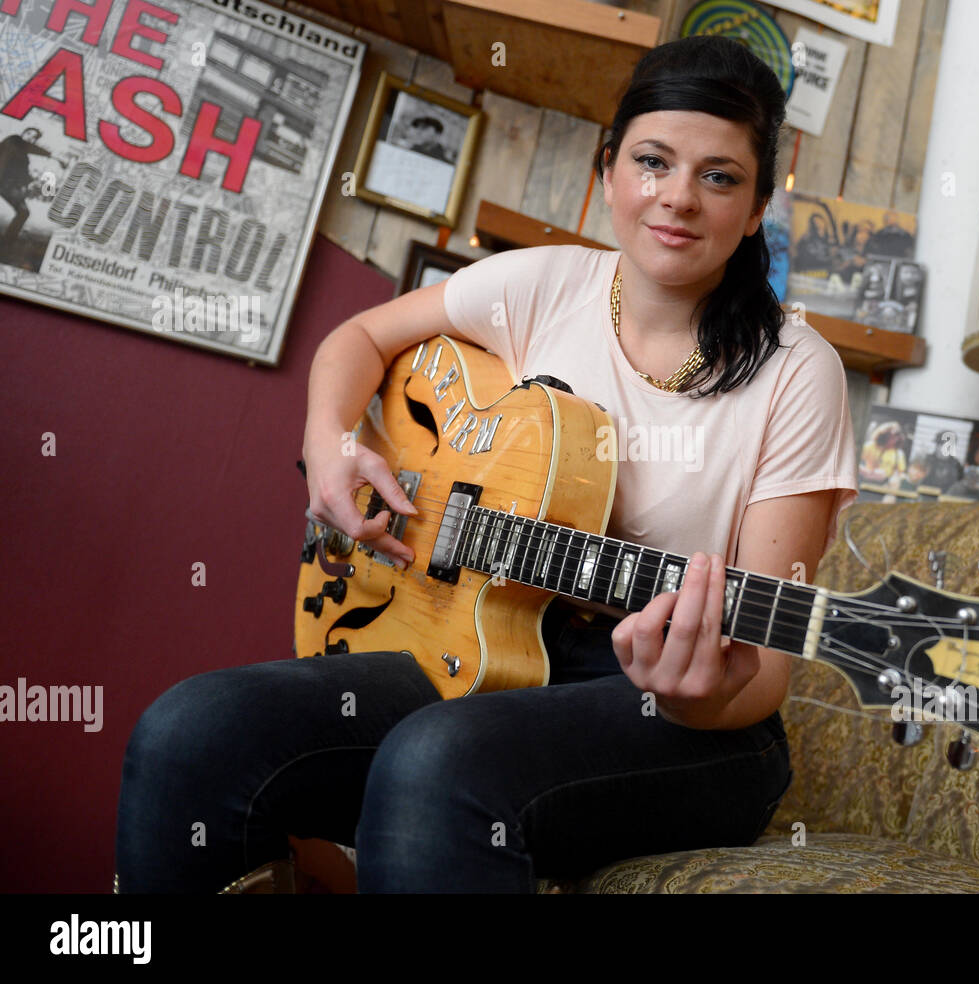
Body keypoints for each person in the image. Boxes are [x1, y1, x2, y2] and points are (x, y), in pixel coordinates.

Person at [115, 35, 857, 893]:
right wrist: (332, 443)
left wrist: (691, 690)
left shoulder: (799, 372)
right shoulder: (543, 284)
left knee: (438, 763)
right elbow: (359, 338)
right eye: (653, 161)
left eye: (720, 176)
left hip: (694, 723)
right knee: (189, 730)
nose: (678, 198)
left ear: (760, 203)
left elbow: (761, 679)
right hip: (491, 643)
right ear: (608, 168)